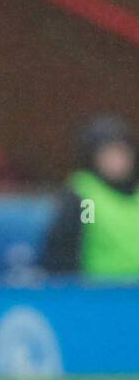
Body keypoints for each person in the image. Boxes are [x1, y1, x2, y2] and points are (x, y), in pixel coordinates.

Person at [42, 115, 139, 279]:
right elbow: (71, 242)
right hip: (100, 291)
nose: (117, 161)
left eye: (122, 153)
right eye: (108, 154)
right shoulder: (88, 199)